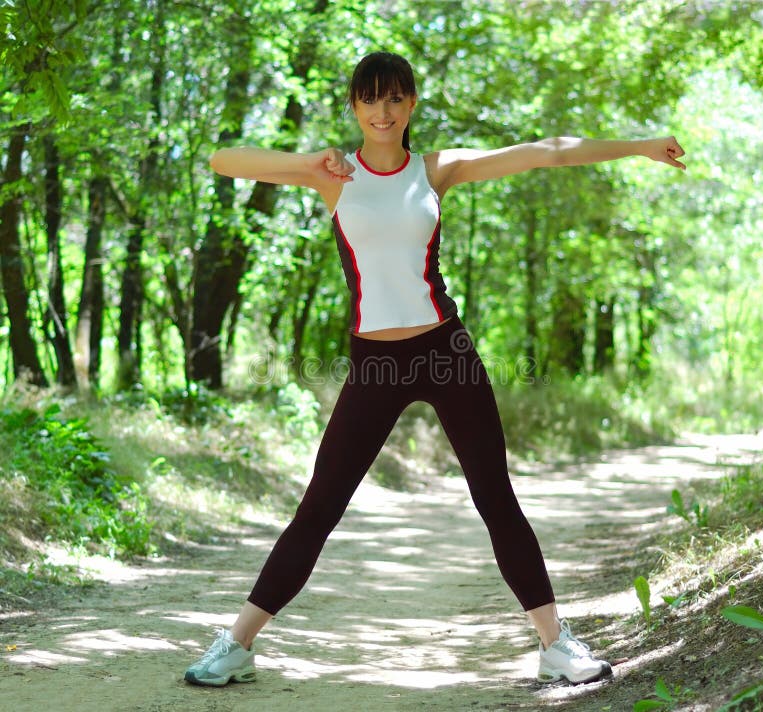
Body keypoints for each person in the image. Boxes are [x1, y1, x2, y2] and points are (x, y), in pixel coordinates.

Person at [185, 51, 686, 689]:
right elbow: (222, 161)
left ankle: (556, 644)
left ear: (411, 104)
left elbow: (544, 151)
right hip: (374, 362)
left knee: (495, 496)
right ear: (355, 106)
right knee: (320, 506)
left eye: (395, 99)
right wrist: (307, 163)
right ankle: (236, 644)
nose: (382, 112)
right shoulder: (334, 176)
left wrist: (639, 146)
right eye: (370, 100)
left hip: (445, 352)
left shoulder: (435, 169)